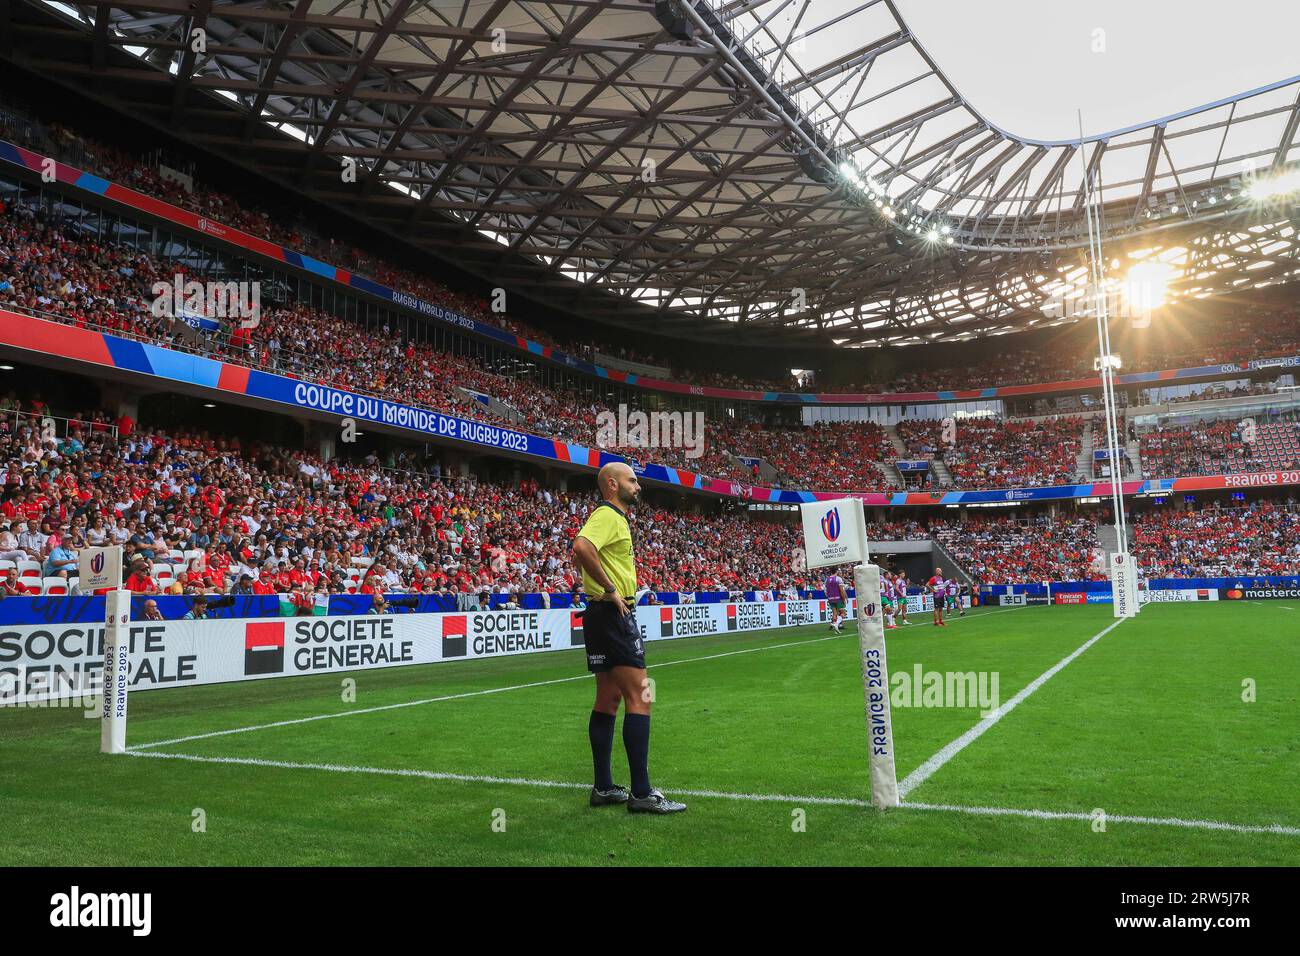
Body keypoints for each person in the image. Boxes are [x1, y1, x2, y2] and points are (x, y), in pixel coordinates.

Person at [571, 462, 685, 815]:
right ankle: (642, 793)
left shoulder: (614, 518)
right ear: (611, 484)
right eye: (632, 481)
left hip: (600, 614)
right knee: (643, 695)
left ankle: (604, 787)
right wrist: (611, 589)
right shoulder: (608, 515)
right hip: (613, 612)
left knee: (608, 699)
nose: (638, 486)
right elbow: (581, 547)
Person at [824, 569, 847, 633]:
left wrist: (828, 597)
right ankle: (836, 624)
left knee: (835, 613)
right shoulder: (838, 579)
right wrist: (844, 598)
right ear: (836, 572)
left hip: (830, 598)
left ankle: (835, 628)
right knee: (843, 613)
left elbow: (825, 590)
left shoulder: (827, 580)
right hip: (838, 598)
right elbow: (841, 590)